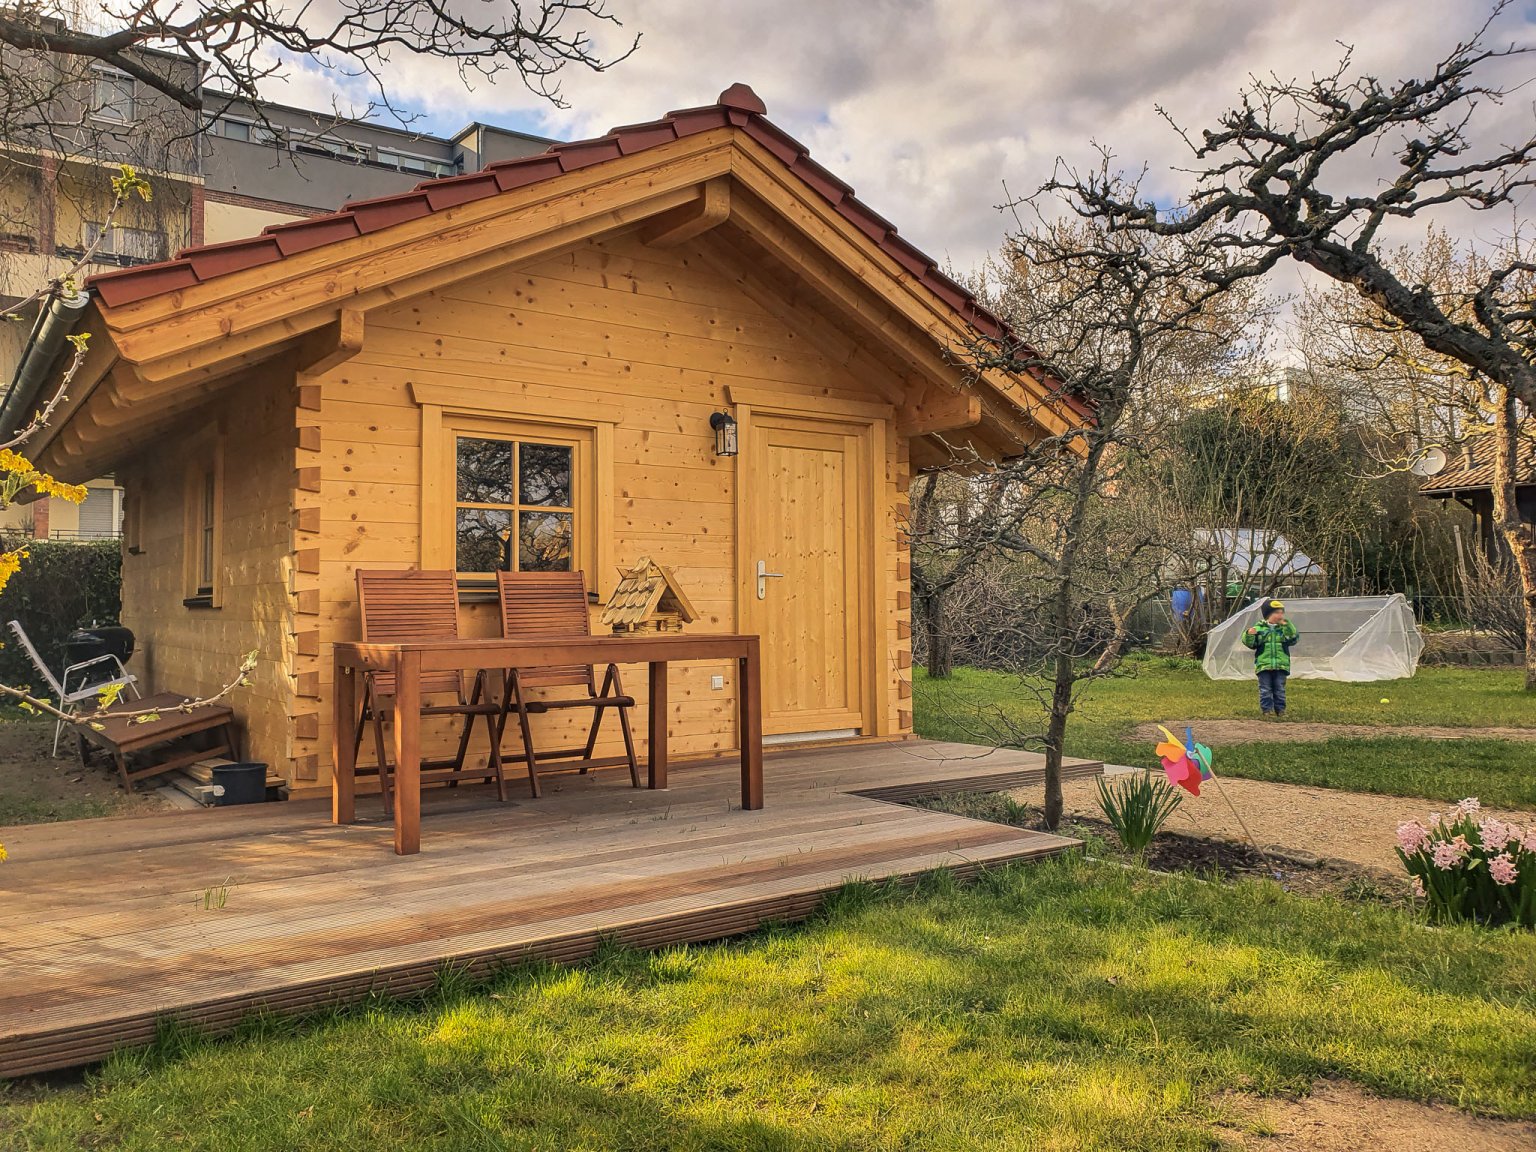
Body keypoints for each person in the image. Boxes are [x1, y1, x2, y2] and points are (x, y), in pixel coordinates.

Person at [1242, 599, 1299, 718]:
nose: (1280, 615)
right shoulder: (1260, 629)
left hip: (1280, 665)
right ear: (1269, 614)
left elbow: (1293, 639)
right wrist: (1249, 634)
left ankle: (1281, 710)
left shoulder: (1283, 628)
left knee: (1279, 689)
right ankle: (1267, 711)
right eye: (1277, 613)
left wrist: (1287, 625)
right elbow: (1251, 644)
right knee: (1265, 689)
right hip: (1264, 665)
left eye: (1281, 612)